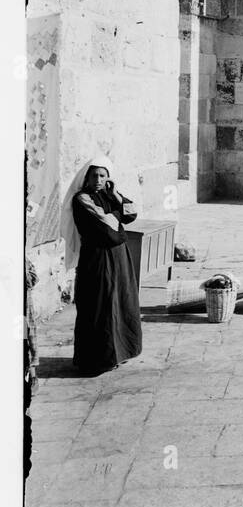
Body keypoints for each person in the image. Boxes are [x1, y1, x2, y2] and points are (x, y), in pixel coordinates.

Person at [69, 161, 142, 376]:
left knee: (121, 302)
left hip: (119, 256)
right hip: (98, 258)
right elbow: (107, 227)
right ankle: (98, 360)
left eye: (103, 176)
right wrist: (118, 215)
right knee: (100, 305)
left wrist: (117, 194)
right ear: (87, 178)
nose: (98, 180)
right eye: (94, 176)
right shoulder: (82, 199)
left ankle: (121, 352)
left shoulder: (110, 195)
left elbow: (131, 214)